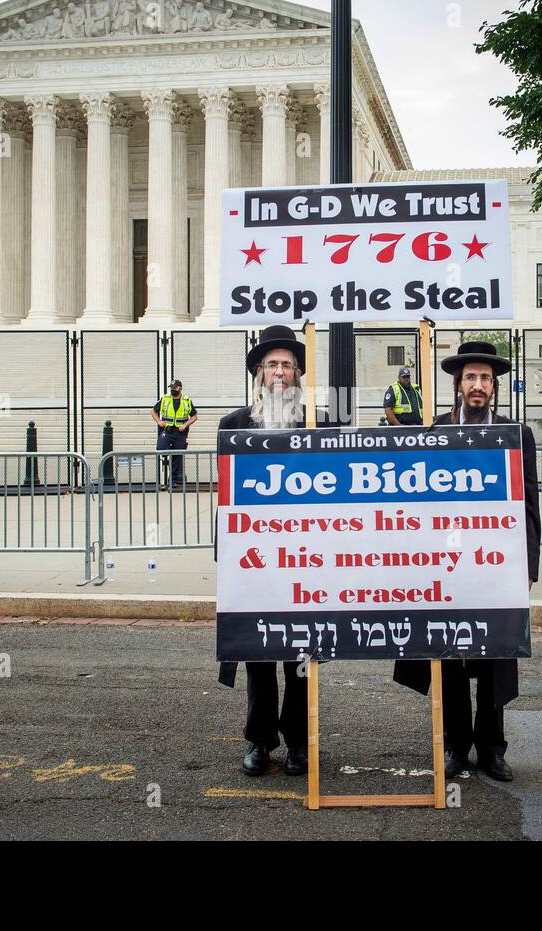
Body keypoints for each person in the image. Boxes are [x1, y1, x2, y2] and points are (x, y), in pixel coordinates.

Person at [393, 340, 541, 782]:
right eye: (471, 378)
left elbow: (529, 503)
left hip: (497, 565)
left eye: (486, 379)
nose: (478, 386)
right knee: (448, 654)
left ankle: (492, 748)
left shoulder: (516, 434)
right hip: (445, 564)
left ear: (495, 386)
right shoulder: (435, 430)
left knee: (495, 653)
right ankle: (455, 744)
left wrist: (528, 566)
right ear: (458, 384)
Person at [217, 325, 328, 777]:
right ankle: (260, 741)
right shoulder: (234, 426)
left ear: (298, 372)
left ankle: (300, 744)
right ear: (259, 374)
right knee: (259, 656)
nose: (279, 372)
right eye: (271, 365)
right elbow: (225, 500)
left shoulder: (316, 424)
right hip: (254, 563)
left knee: (300, 657)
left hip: (306, 560)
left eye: (286, 364)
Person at [151, 379, 197, 488]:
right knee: (161, 449)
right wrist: (159, 421)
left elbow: (194, 416)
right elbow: (153, 411)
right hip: (167, 431)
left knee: (177, 456)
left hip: (180, 433)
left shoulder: (187, 401)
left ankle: (172, 481)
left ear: (180, 389)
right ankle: (168, 457)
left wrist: (185, 424)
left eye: (175, 388)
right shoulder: (165, 399)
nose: (172, 390)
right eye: (171, 388)